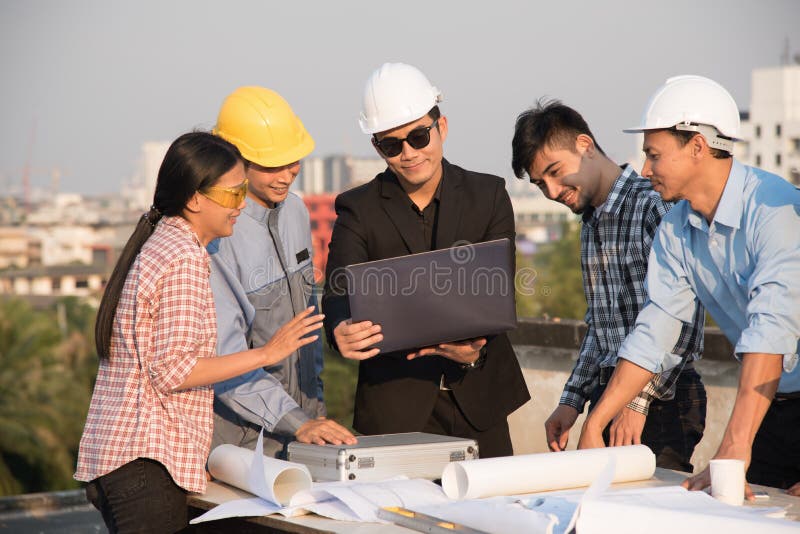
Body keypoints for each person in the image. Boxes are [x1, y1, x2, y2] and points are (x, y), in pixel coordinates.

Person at [75, 132, 324, 533]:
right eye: (230, 194)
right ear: (194, 199)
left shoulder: (164, 242)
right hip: (144, 466)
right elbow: (173, 371)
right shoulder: (184, 257)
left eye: (242, 190)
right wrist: (266, 354)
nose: (241, 205)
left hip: (129, 460)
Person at [576, 75, 800, 498]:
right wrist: (595, 422)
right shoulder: (677, 227)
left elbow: (771, 332)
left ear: (697, 146)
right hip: (770, 406)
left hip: (768, 395)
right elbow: (653, 332)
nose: (645, 170)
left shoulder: (775, 211)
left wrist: (733, 445)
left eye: (654, 155)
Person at [322, 63, 530, 458]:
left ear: (442, 127)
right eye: (392, 144)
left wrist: (475, 351)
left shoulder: (488, 195)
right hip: (393, 412)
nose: (409, 153)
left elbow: (499, 294)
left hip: (480, 406)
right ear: (377, 148)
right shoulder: (358, 209)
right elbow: (338, 293)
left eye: (419, 136)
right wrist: (339, 330)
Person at [511, 100, 706, 471]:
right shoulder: (591, 223)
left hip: (664, 398)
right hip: (610, 394)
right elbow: (601, 326)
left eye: (555, 172)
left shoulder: (654, 207)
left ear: (585, 145)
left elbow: (686, 318)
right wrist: (572, 400)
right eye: (540, 184)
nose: (551, 191)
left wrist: (636, 402)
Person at [209, 86, 355, 459]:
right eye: (273, 163)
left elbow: (307, 328)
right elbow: (224, 362)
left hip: (302, 427)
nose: (289, 173)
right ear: (234, 159)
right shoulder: (217, 234)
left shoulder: (295, 211)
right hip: (242, 440)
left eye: (295, 161)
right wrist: (296, 421)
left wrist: (313, 414)